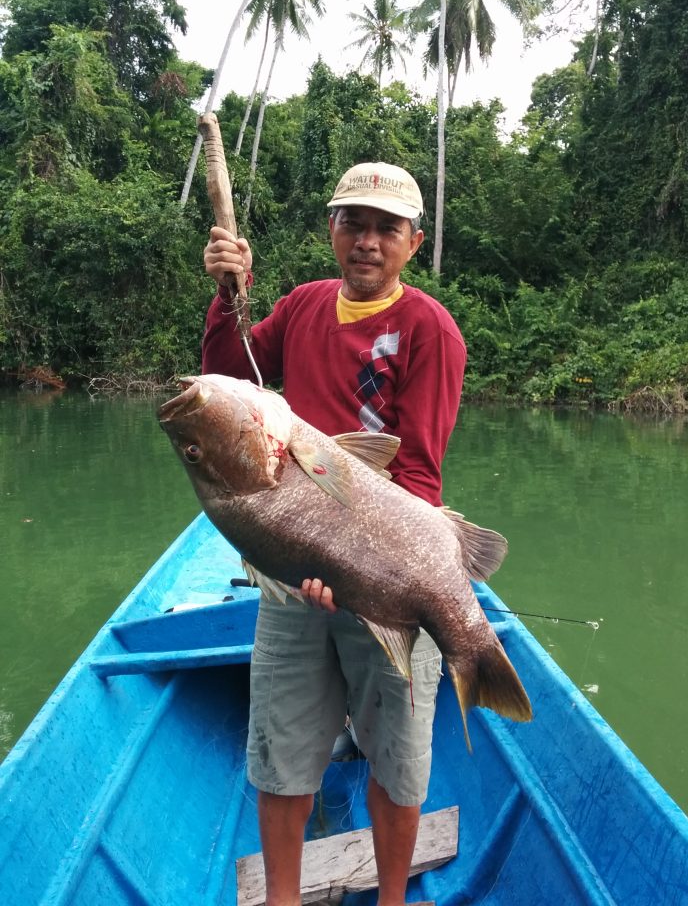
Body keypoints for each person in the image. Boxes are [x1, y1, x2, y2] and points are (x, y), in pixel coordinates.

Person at [202, 162, 466, 906]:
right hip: (292, 574)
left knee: (399, 760)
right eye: (354, 222)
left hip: (384, 576)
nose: (368, 241)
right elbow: (229, 378)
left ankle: (390, 900)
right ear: (331, 230)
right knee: (280, 754)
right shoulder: (302, 306)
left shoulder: (429, 331)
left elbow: (418, 479)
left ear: (414, 242)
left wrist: (350, 567)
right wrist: (227, 298)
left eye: (387, 228)